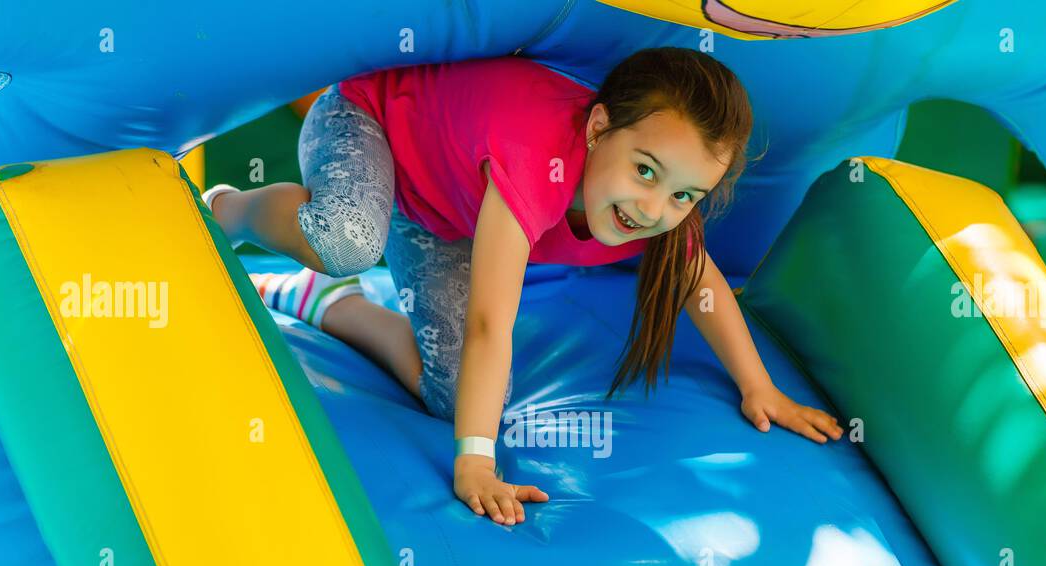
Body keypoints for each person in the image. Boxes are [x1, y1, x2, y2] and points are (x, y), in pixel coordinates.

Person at [205, 48, 843, 527]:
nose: (654, 209)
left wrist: (761, 388)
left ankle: (321, 301)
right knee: (348, 239)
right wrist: (476, 462)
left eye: (684, 194)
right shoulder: (538, 162)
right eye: (645, 172)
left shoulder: (651, 204)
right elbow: (491, 322)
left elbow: (699, 285)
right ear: (596, 131)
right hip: (369, 126)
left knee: (458, 400)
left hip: (448, 211)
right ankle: (230, 211)